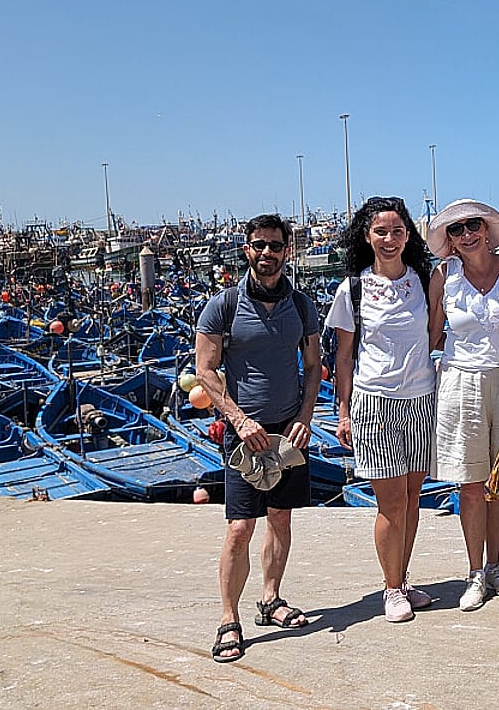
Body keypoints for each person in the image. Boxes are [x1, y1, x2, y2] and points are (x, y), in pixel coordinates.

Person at [195, 213, 322, 664]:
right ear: (246, 250)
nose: (266, 253)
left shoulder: (303, 307)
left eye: (274, 245)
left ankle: (270, 599)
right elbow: (205, 371)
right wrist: (238, 419)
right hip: (243, 436)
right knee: (238, 529)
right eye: (258, 245)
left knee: (281, 520)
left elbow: (312, 368)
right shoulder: (223, 306)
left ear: (287, 251)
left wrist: (305, 417)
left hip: (287, 435)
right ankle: (229, 619)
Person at [326, 197, 436, 623]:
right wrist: (344, 412)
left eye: (397, 231)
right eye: (380, 232)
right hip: (375, 402)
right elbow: (343, 356)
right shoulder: (351, 290)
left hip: (422, 399)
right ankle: (391, 589)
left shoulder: (424, 280)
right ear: (366, 237)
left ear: (408, 235)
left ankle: (403, 579)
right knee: (390, 503)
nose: (390, 240)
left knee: (411, 499)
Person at [425, 198, 499, 611]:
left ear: (486, 229)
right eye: (458, 229)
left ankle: (497, 564)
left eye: (473, 225)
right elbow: (432, 333)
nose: (467, 234)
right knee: (469, 483)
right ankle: (475, 571)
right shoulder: (443, 276)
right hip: (459, 382)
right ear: (449, 238)